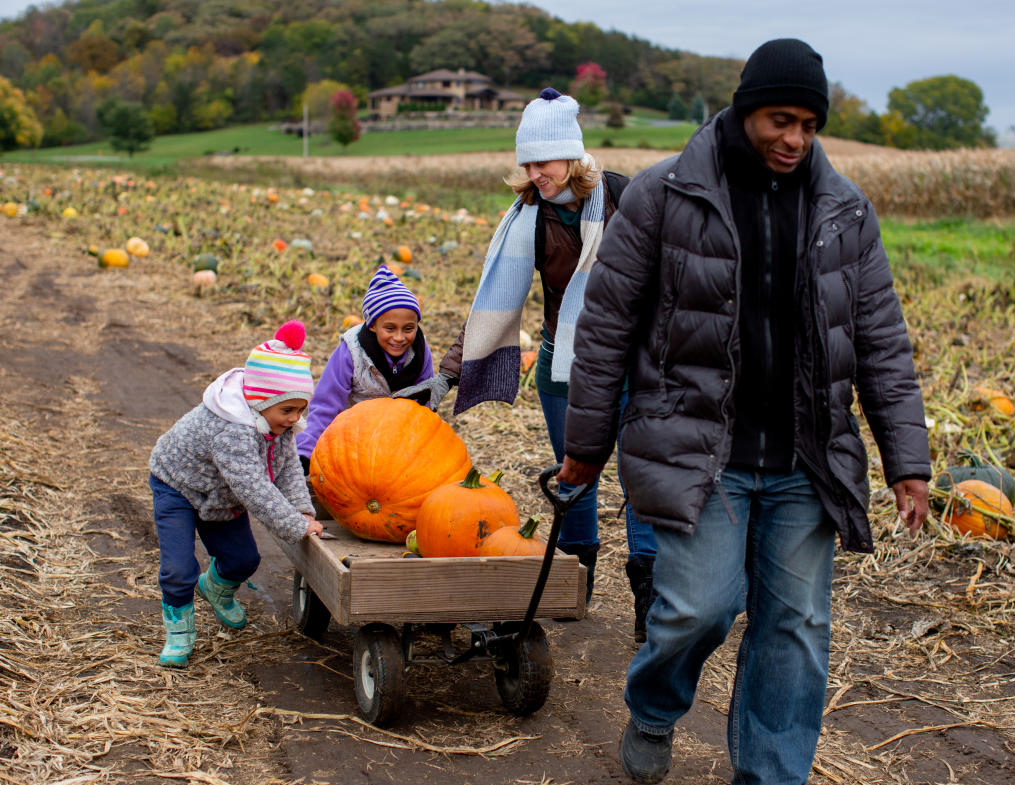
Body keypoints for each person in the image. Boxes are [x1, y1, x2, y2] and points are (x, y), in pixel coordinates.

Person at [558, 38, 932, 785]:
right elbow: (605, 328)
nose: (795, 139)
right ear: (745, 111)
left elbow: (881, 342)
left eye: (809, 126)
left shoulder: (844, 211)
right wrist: (586, 445)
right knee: (699, 609)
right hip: (701, 450)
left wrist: (907, 461)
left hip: (806, 457)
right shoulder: (664, 196)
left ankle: (771, 784)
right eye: (780, 121)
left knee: (796, 627)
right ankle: (654, 704)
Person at [397, 88, 658, 634]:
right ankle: (575, 581)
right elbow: (494, 302)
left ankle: (649, 597)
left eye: (545, 162)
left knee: (642, 476)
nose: (535, 174)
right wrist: (446, 376)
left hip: (633, 362)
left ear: (572, 156)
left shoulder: (626, 198)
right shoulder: (528, 219)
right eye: (528, 164)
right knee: (574, 476)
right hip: (564, 365)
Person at [149, 320, 325, 668]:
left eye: (300, 410)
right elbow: (254, 489)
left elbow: (288, 468)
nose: (294, 419)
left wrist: (303, 509)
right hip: (178, 486)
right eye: (287, 410)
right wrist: (294, 525)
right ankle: (179, 632)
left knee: (244, 560)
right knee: (179, 569)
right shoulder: (232, 431)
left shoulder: (277, 423)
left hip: (221, 493)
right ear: (260, 402)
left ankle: (215, 588)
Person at [297, 265, 434, 472]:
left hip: (397, 436)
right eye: (390, 328)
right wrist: (306, 451)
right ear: (372, 325)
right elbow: (326, 404)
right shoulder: (351, 352)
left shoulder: (420, 354)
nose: (399, 337)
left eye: (408, 328)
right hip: (352, 436)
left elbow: (424, 405)